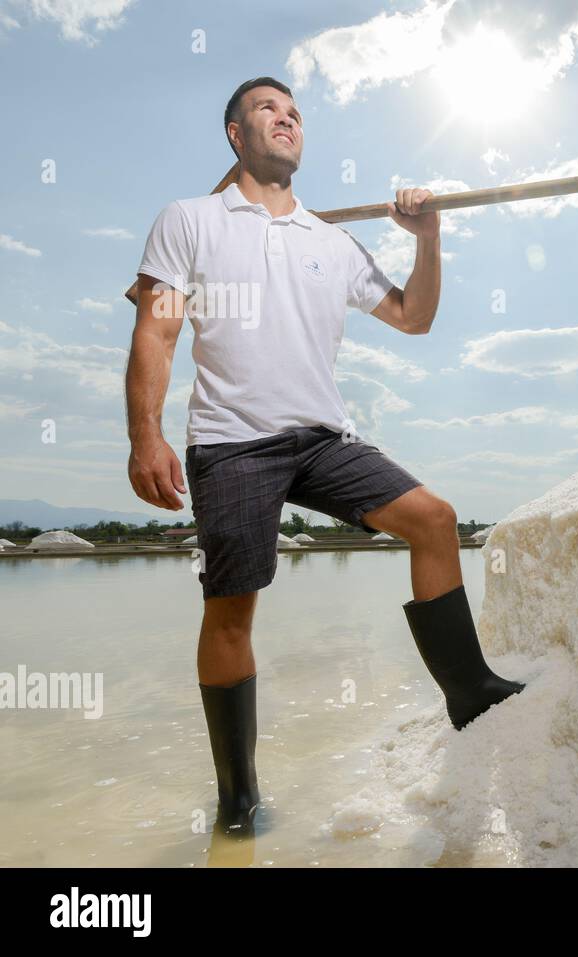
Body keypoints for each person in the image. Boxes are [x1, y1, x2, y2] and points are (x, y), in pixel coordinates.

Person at [124, 76, 524, 837]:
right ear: (236, 136)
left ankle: (470, 692)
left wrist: (428, 239)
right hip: (233, 441)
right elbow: (158, 331)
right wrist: (145, 433)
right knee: (232, 609)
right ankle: (237, 795)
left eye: (296, 112)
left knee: (434, 520)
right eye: (268, 109)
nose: (287, 117)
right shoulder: (189, 220)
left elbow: (414, 316)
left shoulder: (330, 239)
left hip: (323, 438)